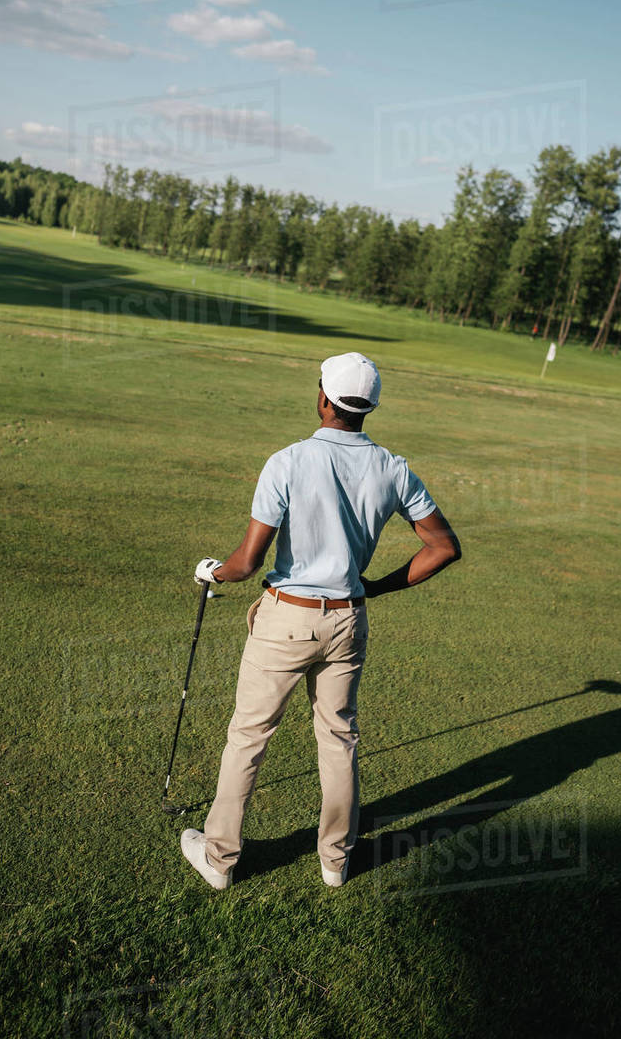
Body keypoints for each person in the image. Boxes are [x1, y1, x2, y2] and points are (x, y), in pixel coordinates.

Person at [181, 352, 461, 889]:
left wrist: (212, 572)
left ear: (323, 398)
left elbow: (246, 563)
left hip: (287, 620)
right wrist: (373, 587)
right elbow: (443, 547)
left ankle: (219, 860)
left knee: (249, 737)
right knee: (339, 738)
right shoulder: (393, 468)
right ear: (368, 407)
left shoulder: (288, 460)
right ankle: (336, 861)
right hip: (348, 621)